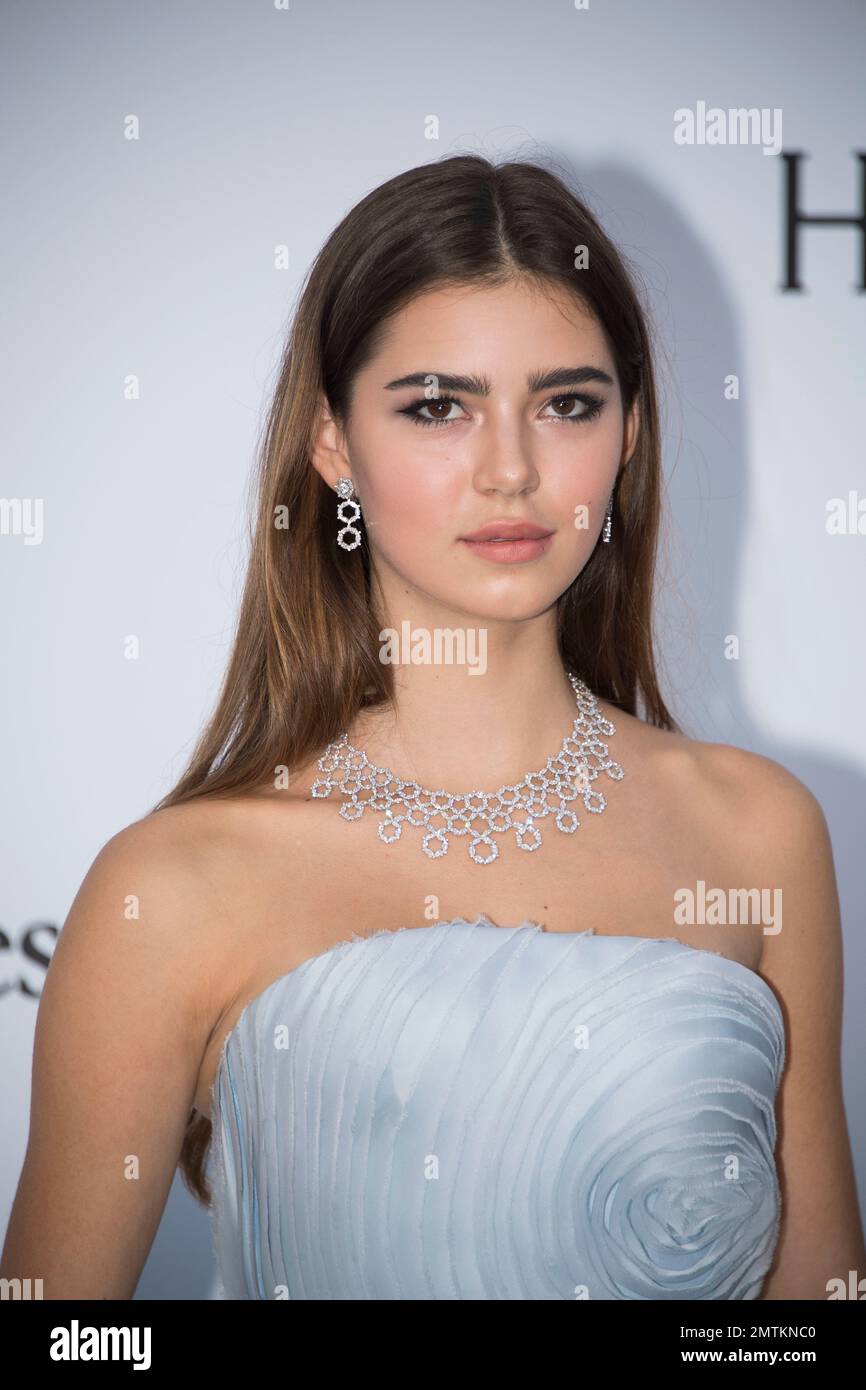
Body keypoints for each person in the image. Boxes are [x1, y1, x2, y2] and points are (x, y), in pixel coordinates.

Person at [2, 154, 863, 1300]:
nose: (509, 470)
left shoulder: (757, 833)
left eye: (565, 404)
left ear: (629, 436)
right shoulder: (175, 884)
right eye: (436, 407)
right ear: (330, 445)